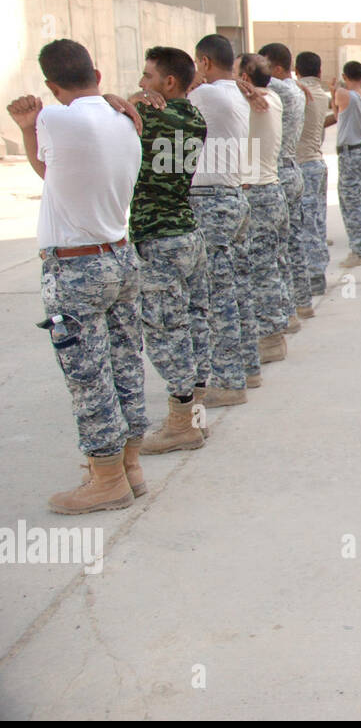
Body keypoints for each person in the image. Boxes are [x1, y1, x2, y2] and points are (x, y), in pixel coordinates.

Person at [8, 39, 147, 513]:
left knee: (88, 377)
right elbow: (58, 173)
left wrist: (28, 125)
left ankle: (105, 478)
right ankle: (129, 466)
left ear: (51, 85)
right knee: (125, 363)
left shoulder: (55, 118)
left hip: (75, 267)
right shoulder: (125, 119)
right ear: (99, 74)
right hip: (120, 256)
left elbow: (44, 167)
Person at [127, 46, 209, 455]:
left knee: (164, 331)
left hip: (157, 237)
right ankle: (195, 413)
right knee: (194, 321)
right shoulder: (194, 115)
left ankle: (181, 425)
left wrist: (126, 102)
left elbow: (98, 117)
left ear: (168, 82)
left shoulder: (146, 116)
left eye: (147, 76)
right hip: (186, 233)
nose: (142, 83)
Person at [188, 33, 253, 408]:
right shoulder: (235, 93)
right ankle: (241, 368)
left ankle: (227, 380)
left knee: (217, 295)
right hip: (229, 196)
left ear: (205, 62)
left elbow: (167, 111)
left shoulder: (209, 94)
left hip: (212, 200)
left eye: (198, 65)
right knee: (230, 288)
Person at [236, 52, 288, 372]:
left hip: (259, 193)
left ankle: (270, 340)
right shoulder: (270, 97)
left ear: (245, 75)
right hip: (269, 190)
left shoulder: (256, 101)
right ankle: (274, 332)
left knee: (262, 270)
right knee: (271, 265)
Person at [258, 43, 310, 326]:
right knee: (292, 242)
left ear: (276, 68)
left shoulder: (280, 89)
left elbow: (250, 82)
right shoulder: (294, 89)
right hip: (291, 169)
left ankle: (288, 311)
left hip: (278, 172)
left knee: (278, 250)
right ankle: (300, 303)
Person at [325, 61, 361, 268]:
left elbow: (336, 108)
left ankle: (358, 251)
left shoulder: (345, 95)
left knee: (351, 204)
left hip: (350, 153)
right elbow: (341, 117)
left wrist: (333, 89)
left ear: (345, 76)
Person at [294, 50, 331, 296]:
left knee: (306, 224)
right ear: (319, 72)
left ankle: (314, 276)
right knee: (317, 222)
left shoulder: (297, 93)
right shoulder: (322, 94)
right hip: (316, 162)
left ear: (296, 71)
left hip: (304, 163)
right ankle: (318, 272)